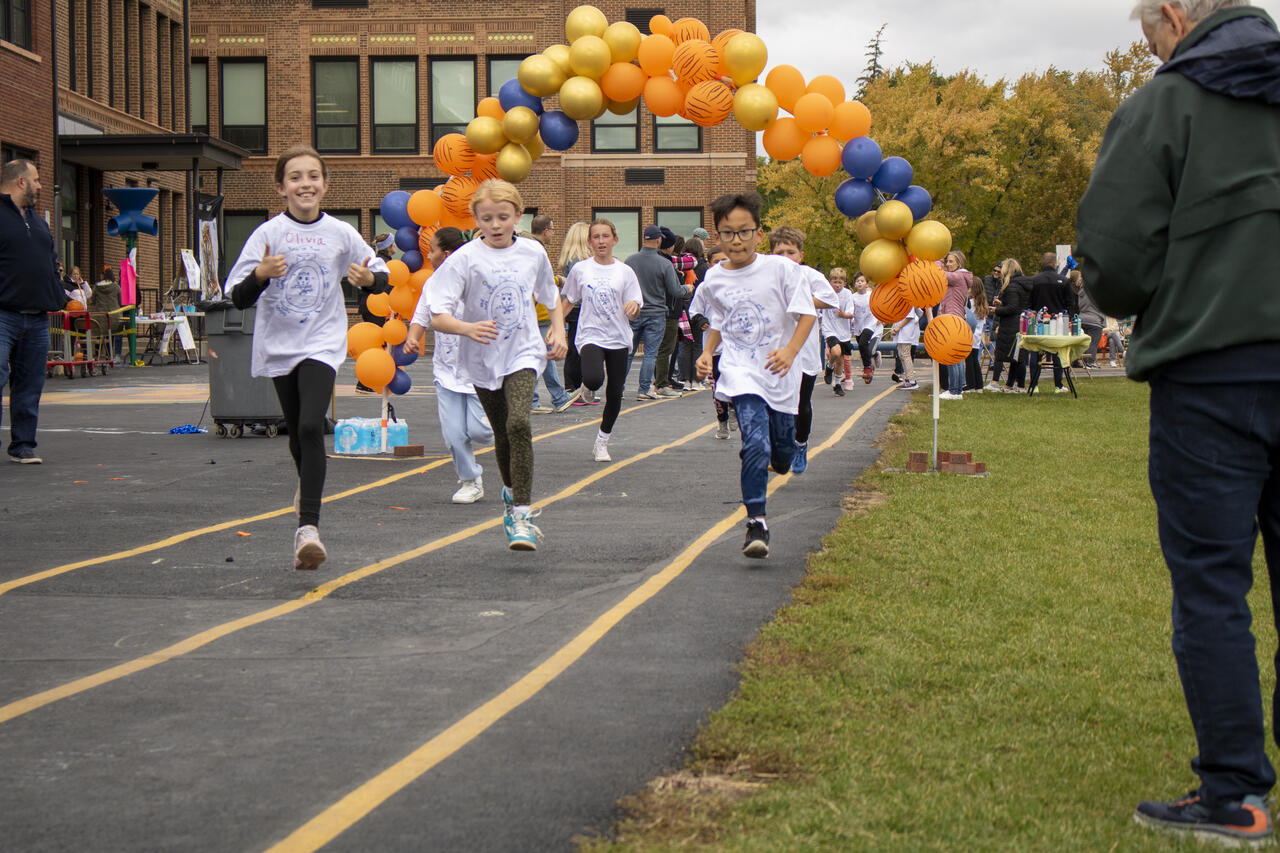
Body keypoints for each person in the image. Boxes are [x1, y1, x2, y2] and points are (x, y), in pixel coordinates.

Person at [1076, 1, 1280, 845]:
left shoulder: (1167, 102)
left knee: (1211, 587)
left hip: (1213, 371)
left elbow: (1115, 259)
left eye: (1149, 36)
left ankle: (1234, 790)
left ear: (1172, 14)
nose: (1152, 48)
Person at [225, 144, 389, 570]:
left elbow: (381, 275)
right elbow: (238, 296)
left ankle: (308, 529)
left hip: (322, 341)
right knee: (297, 433)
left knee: (312, 424)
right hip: (280, 344)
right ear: (281, 187)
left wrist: (369, 278)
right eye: (295, 177)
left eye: (313, 176)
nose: (305, 184)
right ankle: (306, 489)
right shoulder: (267, 234)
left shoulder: (339, 232)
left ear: (325, 185)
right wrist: (261, 275)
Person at [427, 179, 567, 551]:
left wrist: (558, 331)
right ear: (475, 219)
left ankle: (522, 514)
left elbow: (551, 297)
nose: (495, 225)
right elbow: (436, 313)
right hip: (481, 357)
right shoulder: (465, 259)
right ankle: (510, 491)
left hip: (522, 351)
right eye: (487, 218)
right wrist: (466, 328)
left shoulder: (533, 253)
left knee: (519, 423)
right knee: (502, 433)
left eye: (503, 217)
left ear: (518, 216)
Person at [695, 191, 816, 558]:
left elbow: (807, 314)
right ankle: (756, 522)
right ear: (717, 236)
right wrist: (706, 352)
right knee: (755, 444)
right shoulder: (714, 279)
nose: (736, 241)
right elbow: (720, 320)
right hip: (740, 370)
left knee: (779, 453)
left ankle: (780, 456)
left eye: (744, 232)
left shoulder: (781, 269)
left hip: (780, 373)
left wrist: (791, 351)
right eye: (728, 233)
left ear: (758, 234)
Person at [405, 227, 494, 504]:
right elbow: (422, 315)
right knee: (454, 435)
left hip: (479, 370)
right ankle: (470, 480)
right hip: (446, 371)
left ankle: (506, 421)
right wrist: (412, 338)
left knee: (480, 431)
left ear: (445, 254)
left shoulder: (479, 280)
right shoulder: (432, 284)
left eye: (430, 250)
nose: (427, 255)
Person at [560, 219, 642, 462]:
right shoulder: (581, 270)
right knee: (594, 379)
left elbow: (636, 303)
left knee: (615, 393)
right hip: (591, 334)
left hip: (618, 336)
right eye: (596, 237)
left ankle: (602, 440)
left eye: (606, 236)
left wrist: (633, 307)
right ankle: (587, 386)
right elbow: (569, 300)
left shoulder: (625, 271)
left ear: (615, 240)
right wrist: (553, 329)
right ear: (589, 242)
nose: (601, 241)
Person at [0, 159, 65, 464]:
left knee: (30, 383)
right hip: (4, 315)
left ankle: (23, 446)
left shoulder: (37, 221)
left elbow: (49, 262)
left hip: (37, 317)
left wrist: (57, 289)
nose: (41, 185)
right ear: (21, 182)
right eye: (36, 180)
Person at [768, 226, 836, 474]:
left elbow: (831, 300)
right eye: (780, 252)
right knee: (773, 402)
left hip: (804, 350)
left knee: (801, 402)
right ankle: (777, 448)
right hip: (775, 348)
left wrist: (801, 301)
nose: (786, 257)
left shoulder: (808, 275)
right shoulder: (766, 275)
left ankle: (800, 443)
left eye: (791, 252)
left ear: (801, 255)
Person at [625, 225, 692, 401]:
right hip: (656, 313)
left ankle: (618, 388)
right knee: (651, 353)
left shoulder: (630, 261)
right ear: (659, 240)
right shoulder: (664, 263)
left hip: (634, 312)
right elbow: (675, 290)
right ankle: (644, 389)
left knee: (629, 352)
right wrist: (688, 288)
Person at [526, 221, 578, 414]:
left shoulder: (531, 248)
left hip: (538, 312)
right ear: (546, 230)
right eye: (553, 230)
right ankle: (536, 400)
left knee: (545, 356)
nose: (553, 234)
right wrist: (558, 280)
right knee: (539, 357)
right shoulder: (536, 250)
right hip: (538, 313)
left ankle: (558, 397)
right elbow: (540, 278)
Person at [352, 232, 396, 393]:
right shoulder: (382, 265)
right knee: (376, 344)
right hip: (376, 308)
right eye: (394, 244)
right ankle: (366, 382)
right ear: (390, 247)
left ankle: (368, 381)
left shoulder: (380, 262)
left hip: (372, 307)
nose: (396, 246)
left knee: (375, 344)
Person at [1026, 251, 1076, 393]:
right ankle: (1058, 385)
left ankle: (1034, 385)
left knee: (1036, 353)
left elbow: (1029, 303)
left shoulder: (1034, 280)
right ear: (1055, 264)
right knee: (1058, 353)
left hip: (1039, 320)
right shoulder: (1064, 281)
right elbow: (1070, 303)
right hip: (1058, 322)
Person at [655, 230, 695, 394]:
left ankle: (660, 380)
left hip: (658, 308)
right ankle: (661, 383)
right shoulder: (668, 262)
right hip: (669, 309)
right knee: (666, 348)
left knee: (659, 348)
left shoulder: (656, 260)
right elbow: (691, 261)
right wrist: (686, 288)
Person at [556, 221, 592, 403]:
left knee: (573, 348)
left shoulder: (569, 258)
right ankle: (577, 387)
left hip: (571, 308)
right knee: (582, 349)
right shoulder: (582, 261)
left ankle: (571, 385)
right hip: (580, 307)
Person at [987, 258, 1031, 392]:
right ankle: (1014, 384)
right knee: (1017, 356)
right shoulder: (1023, 285)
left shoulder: (1011, 286)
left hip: (1010, 325)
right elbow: (1017, 305)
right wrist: (1002, 304)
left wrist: (997, 309)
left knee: (1003, 354)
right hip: (1021, 322)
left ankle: (999, 383)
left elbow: (1012, 308)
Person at [936, 250, 974, 400]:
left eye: (951, 262)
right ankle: (957, 389)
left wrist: (935, 260)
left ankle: (954, 390)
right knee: (956, 357)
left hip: (952, 317)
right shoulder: (960, 277)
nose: (948, 265)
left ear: (959, 263)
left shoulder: (958, 276)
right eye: (947, 262)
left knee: (951, 355)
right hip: (954, 317)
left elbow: (940, 274)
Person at [821, 267, 855, 396]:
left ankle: (837, 384)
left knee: (840, 359)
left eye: (840, 282)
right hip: (829, 328)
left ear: (844, 283)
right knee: (835, 351)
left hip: (843, 331)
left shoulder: (847, 294)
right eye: (835, 281)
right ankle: (829, 367)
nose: (837, 284)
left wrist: (844, 315)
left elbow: (851, 313)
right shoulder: (826, 293)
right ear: (830, 282)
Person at [1071, 269, 1105, 369]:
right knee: (1093, 342)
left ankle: (1081, 360)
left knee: (1083, 342)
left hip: (1082, 318)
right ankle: (1089, 362)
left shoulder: (1081, 291)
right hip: (1094, 320)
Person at [891, 306, 922, 390]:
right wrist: (894, 327)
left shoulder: (908, 301)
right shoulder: (899, 301)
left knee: (905, 354)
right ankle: (908, 379)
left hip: (906, 330)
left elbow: (909, 317)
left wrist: (898, 327)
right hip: (900, 330)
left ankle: (912, 380)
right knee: (901, 354)